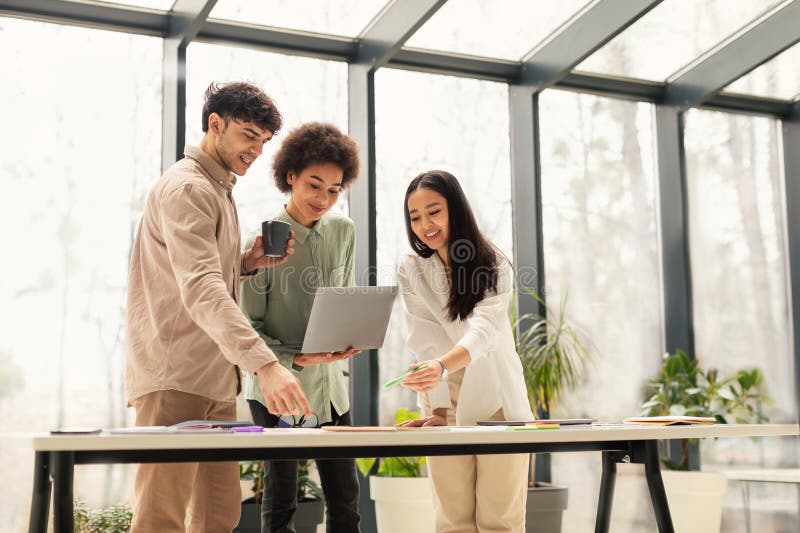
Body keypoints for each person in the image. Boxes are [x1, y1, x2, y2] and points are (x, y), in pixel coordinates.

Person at [125, 81, 312, 533]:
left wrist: (247, 262)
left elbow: (204, 272)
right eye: (248, 135)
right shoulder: (189, 189)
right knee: (161, 519)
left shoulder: (218, 189)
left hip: (213, 378)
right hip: (175, 376)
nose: (257, 150)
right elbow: (201, 287)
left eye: (263, 141)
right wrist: (266, 366)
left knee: (219, 513)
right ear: (215, 124)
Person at [240, 122, 362, 533]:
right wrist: (297, 357)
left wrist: (350, 335)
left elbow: (343, 298)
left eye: (334, 190)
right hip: (277, 386)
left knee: (346, 500)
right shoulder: (261, 243)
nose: (323, 199)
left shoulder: (343, 231)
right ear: (290, 176)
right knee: (281, 503)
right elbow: (247, 329)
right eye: (314, 185)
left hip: (330, 388)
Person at [397, 170, 533, 532]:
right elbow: (424, 336)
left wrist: (441, 366)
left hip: (497, 398)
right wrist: (438, 409)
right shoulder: (411, 267)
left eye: (434, 212)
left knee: (499, 520)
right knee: (452, 520)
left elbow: (484, 332)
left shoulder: (492, 263)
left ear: (455, 209)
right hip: (443, 394)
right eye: (415, 217)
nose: (425, 225)